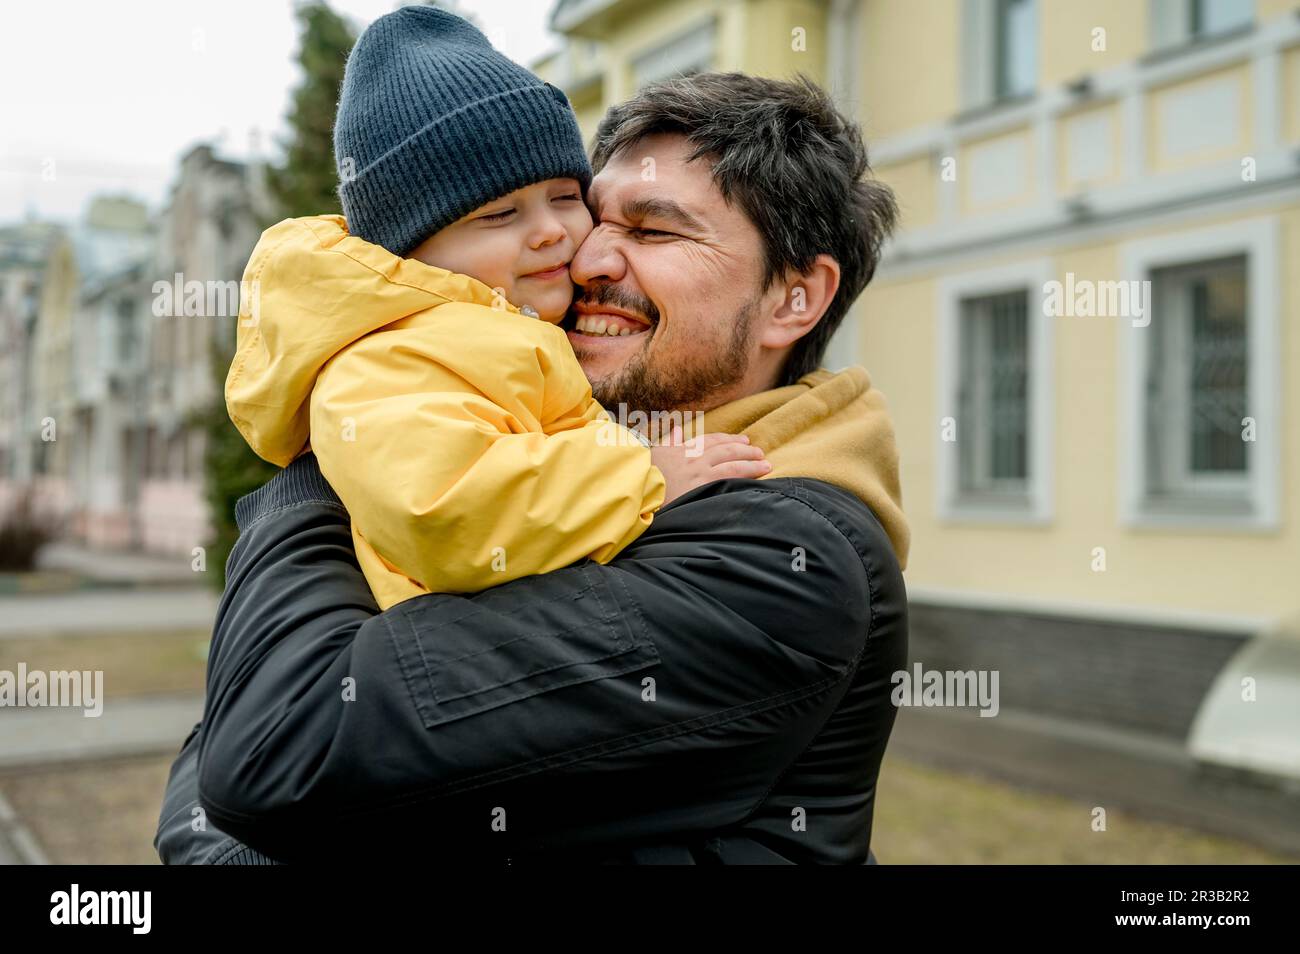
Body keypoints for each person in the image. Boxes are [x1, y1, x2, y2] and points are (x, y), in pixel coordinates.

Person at [156, 58, 911, 864]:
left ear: (794, 297)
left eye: (653, 230)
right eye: (593, 216)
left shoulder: (775, 562)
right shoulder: (544, 453)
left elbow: (271, 754)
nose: (582, 260)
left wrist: (311, 473)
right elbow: (228, 761)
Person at [228, 6, 766, 611]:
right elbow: (444, 508)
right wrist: (641, 475)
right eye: (498, 215)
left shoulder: (510, 324)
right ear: (412, 249)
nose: (549, 232)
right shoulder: (387, 355)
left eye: (565, 197)